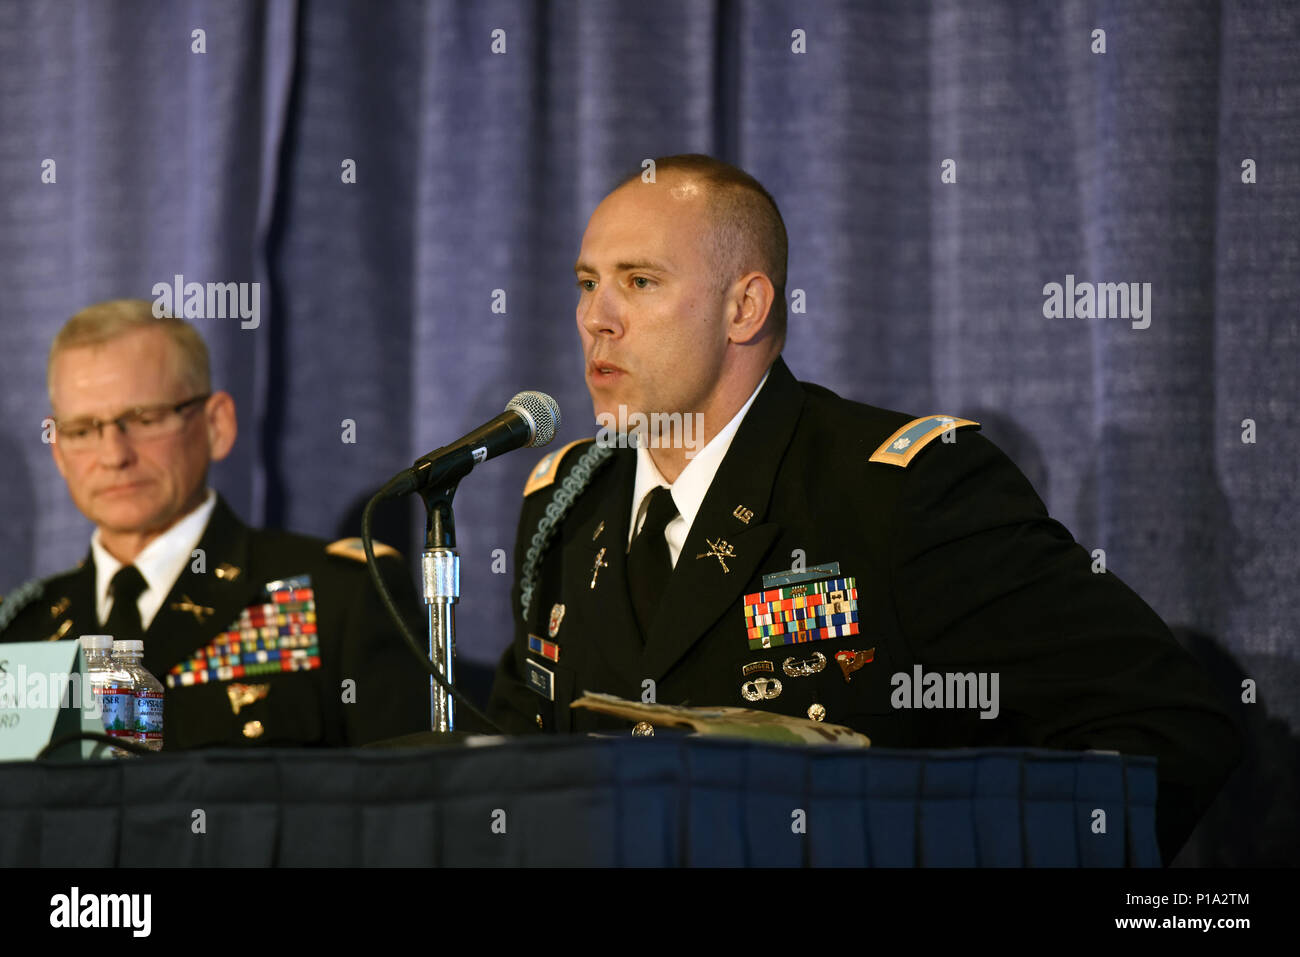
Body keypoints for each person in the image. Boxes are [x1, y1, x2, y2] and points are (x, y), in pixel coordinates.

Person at [488, 154, 1243, 864]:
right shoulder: (566, 500)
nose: (596, 318)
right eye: (588, 282)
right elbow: (520, 766)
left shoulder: (901, 491)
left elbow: (1166, 731)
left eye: (640, 281)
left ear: (744, 306)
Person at [0, 300, 428, 748]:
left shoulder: (337, 599)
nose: (113, 456)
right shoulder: (22, 636)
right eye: (84, 430)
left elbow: (400, 804)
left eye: (144, 419)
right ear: (58, 450)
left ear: (215, 425)